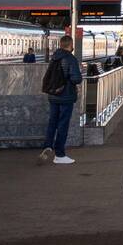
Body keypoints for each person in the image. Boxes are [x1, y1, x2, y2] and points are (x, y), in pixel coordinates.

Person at [38, 35, 82, 165]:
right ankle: (60, 154)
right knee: (63, 124)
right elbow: (75, 79)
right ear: (70, 45)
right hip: (65, 96)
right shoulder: (70, 59)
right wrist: (79, 76)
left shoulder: (54, 57)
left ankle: (48, 146)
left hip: (53, 95)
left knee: (53, 122)